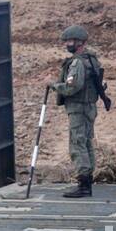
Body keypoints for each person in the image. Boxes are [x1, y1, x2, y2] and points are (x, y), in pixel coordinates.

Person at [47, 25, 104, 198]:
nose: (67, 44)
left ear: (79, 42)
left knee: (77, 144)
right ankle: (87, 182)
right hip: (88, 107)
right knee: (86, 143)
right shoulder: (92, 59)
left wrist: (54, 86)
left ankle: (84, 184)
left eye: (70, 41)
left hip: (79, 108)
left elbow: (73, 87)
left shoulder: (78, 62)